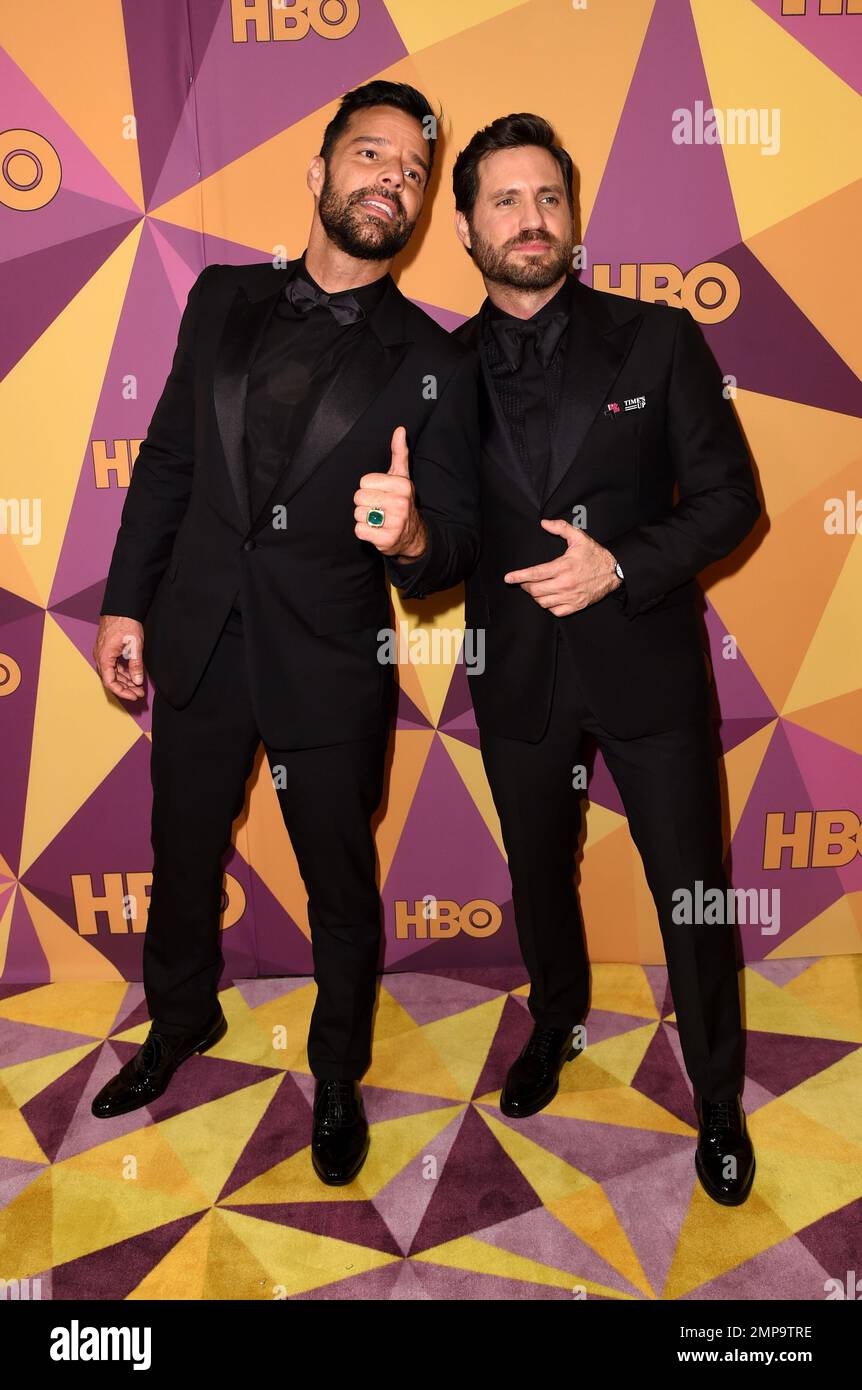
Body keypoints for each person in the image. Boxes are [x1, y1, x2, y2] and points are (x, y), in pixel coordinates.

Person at [91, 80, 480, 1188]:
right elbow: (168, 461)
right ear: (317, 173)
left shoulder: (434, 359)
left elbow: (449, 544)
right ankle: (177, 1024)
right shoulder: (218, 296)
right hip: (199, 634)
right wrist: (126, 600)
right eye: (369, 156)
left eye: (410, 173)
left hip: (328, 663)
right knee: (179, 855)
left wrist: (411, 539)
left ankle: (339, 1069)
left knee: (339, 881)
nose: (388, 181)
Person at [449, 113, 760, 1206]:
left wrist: (620, 566)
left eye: (547, 198)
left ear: (571, 215)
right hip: (518, 676)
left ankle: (717, 1096)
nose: (530, 220)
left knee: (693, 889)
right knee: (539, 876)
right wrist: (398, 540)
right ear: (466, 228)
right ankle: (556, 1022)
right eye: (504, 200)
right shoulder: (430, 374)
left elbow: (732, 501)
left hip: (646, 667)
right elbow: (432, 553)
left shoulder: (657, 338)